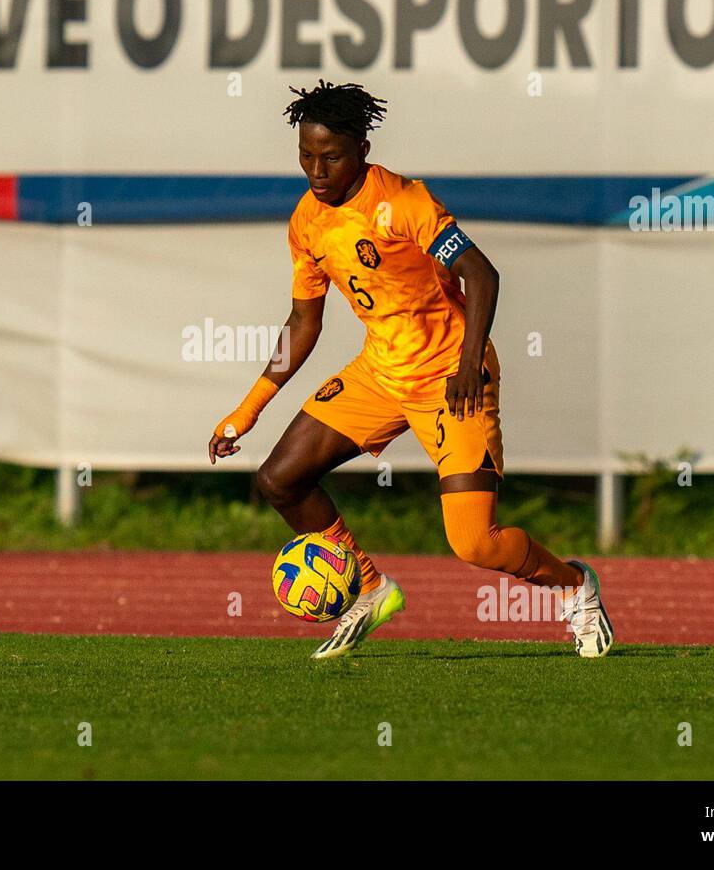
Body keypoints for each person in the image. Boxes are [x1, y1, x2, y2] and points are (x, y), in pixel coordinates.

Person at [208, 81, 613, 659]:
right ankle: (370, 589)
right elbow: (303, 322)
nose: (317, 170)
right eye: (306, 155)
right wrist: (246, 410)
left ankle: (576, 587)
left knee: (476, 543)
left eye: (332, 157)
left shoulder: (403, 203)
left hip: (452, 378)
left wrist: (471, 361)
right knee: (279, 479)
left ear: (362, 151)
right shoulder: (306, 223)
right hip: (381, 372)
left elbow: (483, 275)